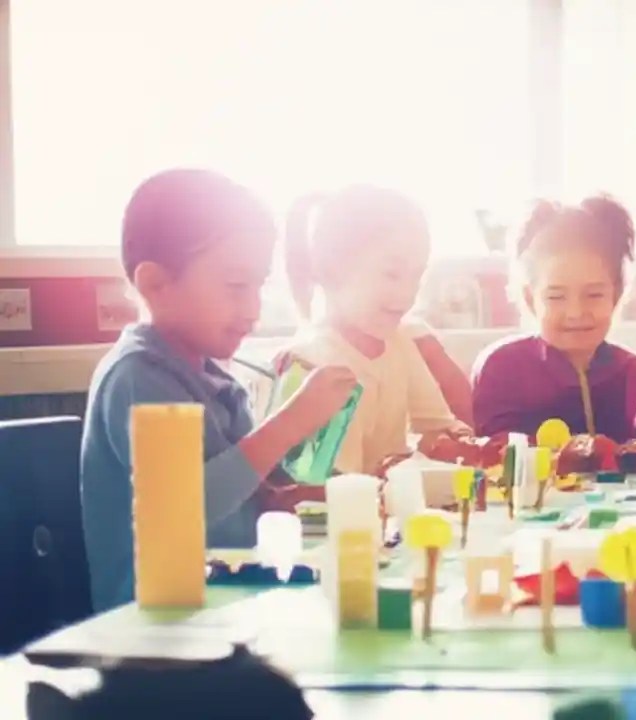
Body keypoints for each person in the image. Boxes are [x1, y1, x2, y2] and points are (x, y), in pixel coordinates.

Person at [81, 169, 356, 611]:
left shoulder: (216, 378)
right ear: (155, 285)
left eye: (258, 286)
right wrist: (291, 421)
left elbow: (236, 494)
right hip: (152, 632)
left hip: (223, 607)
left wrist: (280, 497)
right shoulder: (136, 377)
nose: (253, 309)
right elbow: (189, 506)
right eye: (234, 286)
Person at [282, 186, 470, 476]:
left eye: (416, 276)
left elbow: (437, 429)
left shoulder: (401, 341)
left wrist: (459, 442)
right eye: (391, 274)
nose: (407, 294)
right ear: (331, 269)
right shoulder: (311, 361)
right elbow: (319, 486)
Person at [471, 196, 636, 444]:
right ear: (530, 298)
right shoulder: (501, 367)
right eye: (556, 296)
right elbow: (497, 457)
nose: (575, 312)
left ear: (616, 294)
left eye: (594, 295)